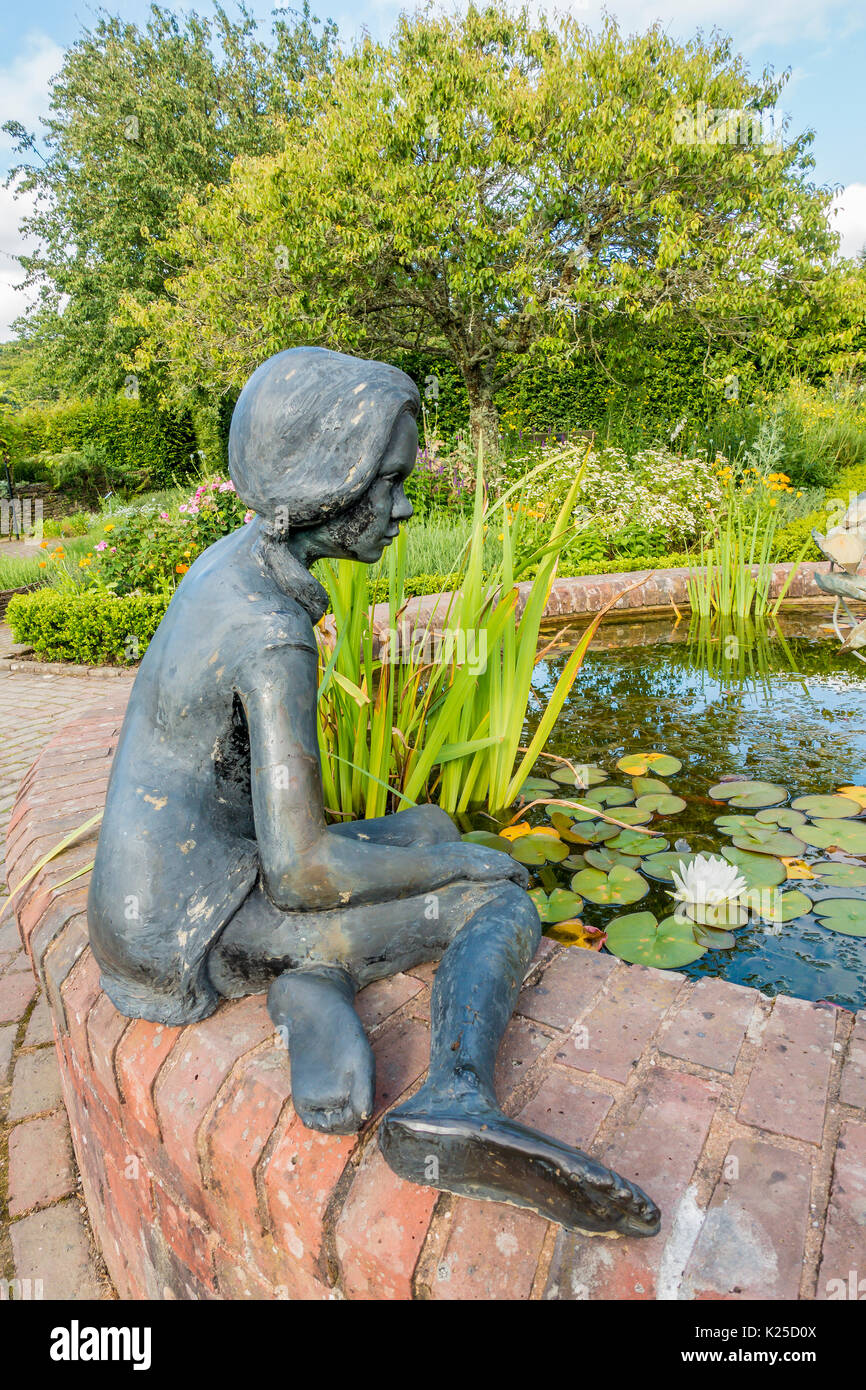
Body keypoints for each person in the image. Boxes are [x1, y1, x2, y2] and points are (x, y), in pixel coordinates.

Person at [88, 346, 659, 1238]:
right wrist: (459, 863)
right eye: (387, 481)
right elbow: (304, 872)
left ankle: (309, 978)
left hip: (159, 898)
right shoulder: (271, 637)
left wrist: (428, 843)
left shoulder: (233, 563)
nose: (401, 506)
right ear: (326, 483)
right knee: (494, 900)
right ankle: (456, 1100)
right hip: (191, 930)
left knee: (428, 817)